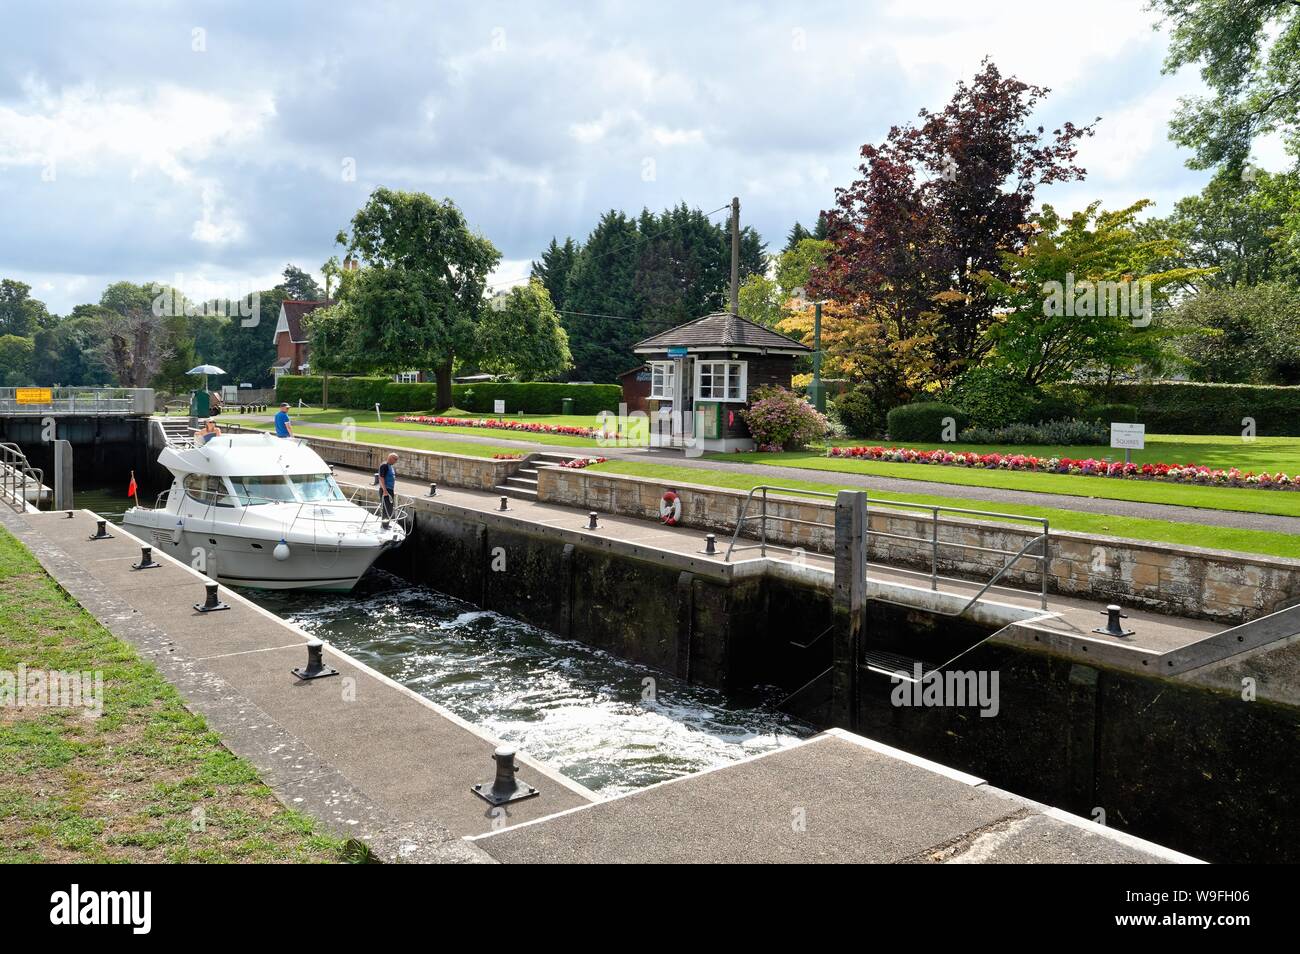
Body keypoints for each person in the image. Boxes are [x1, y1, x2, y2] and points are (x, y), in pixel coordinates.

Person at [377, 452, 398, 519]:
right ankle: (384, 525)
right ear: (390, 458)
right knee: (386, 508)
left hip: (390, 490)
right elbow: (381, 478)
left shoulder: (391, 467)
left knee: (390, 508)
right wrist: (385, 491)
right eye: (395, 459)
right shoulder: (384, 466)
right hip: (385, 490)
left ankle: (387, 524)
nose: (396, 461)